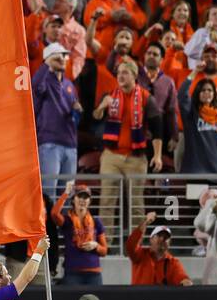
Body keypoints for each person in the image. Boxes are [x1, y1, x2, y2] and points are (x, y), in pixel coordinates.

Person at [93, 58, 163, 243]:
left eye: (125, 72)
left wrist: (157, 155)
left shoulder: (147, 98)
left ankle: (136, 243)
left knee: (136, 204)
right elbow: (96, 117)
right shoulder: (109, 95)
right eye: (118, 73)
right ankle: (105, 242)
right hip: (111, 157)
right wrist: (102, 106)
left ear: (134, 76)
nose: (120, 76)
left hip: (136, 158)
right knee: (107, 200)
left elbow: (158, 127)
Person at [32, 41, 81, 196]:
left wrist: (76, 112)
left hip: (70, 144)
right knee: (48, 192)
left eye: (64, 56)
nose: (63, 59)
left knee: (67, 194)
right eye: (58, 57)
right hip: (49, 143)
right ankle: (48, 221)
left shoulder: (69, 85)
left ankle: (63, 221)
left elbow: (76, 118)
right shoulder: (43, 81)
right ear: (48, 59)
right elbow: (35, 87)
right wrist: (47, 65)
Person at [51, 183, 107, 284]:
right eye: (79, 196)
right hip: (73, 272)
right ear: (73, 199)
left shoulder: (96, 221)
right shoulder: (67, 221)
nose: (82, 200)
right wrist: (66, 193)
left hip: (94, 273)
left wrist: (96, 245)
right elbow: (54, 214)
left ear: (89, 201)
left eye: (85, 197)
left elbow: (104, 251)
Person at [125, 211, 192, 285]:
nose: (162, 239)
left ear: (170, 242)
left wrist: (186, 282)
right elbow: (131, 243)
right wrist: (146, 222)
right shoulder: (140, 254)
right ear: (151, 239)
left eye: (166, 237)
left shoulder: (173, 262)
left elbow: (182, 277)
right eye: (159, 236)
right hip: (139, 296)